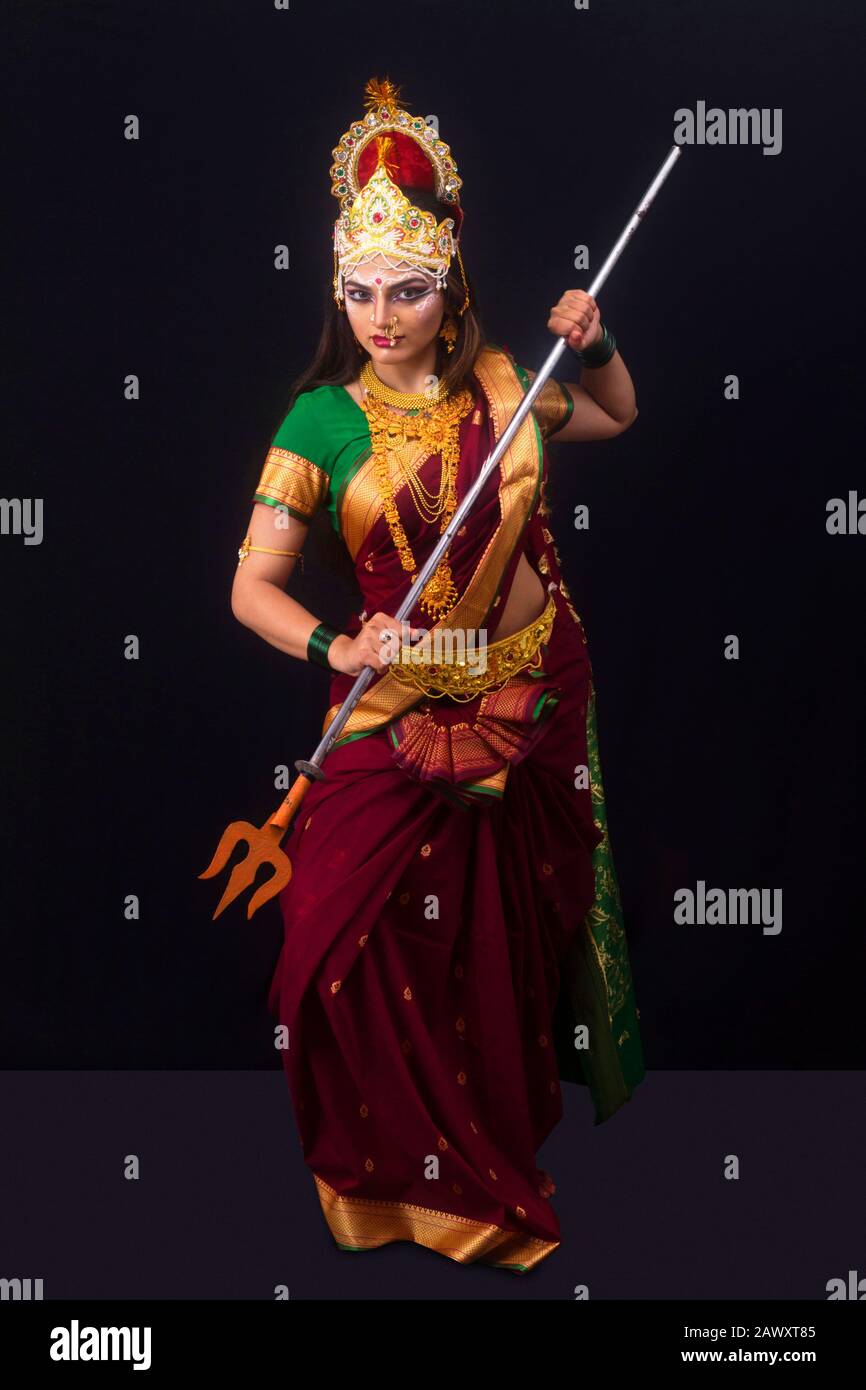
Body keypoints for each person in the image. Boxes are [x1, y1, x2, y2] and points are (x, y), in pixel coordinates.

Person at [230, 76, 645, 1273]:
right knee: (340, 939)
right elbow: (250, 588)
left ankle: (488, 1174)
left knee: (497, 943)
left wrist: (598, 341)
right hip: (395, 702)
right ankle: (379, 1181)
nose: (379, 315)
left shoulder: (505, 399)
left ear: (448, 280)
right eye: (356, 291)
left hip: (524, 691)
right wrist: (333, 645)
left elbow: (617, 414)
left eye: (404, 290)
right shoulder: (317, 422)